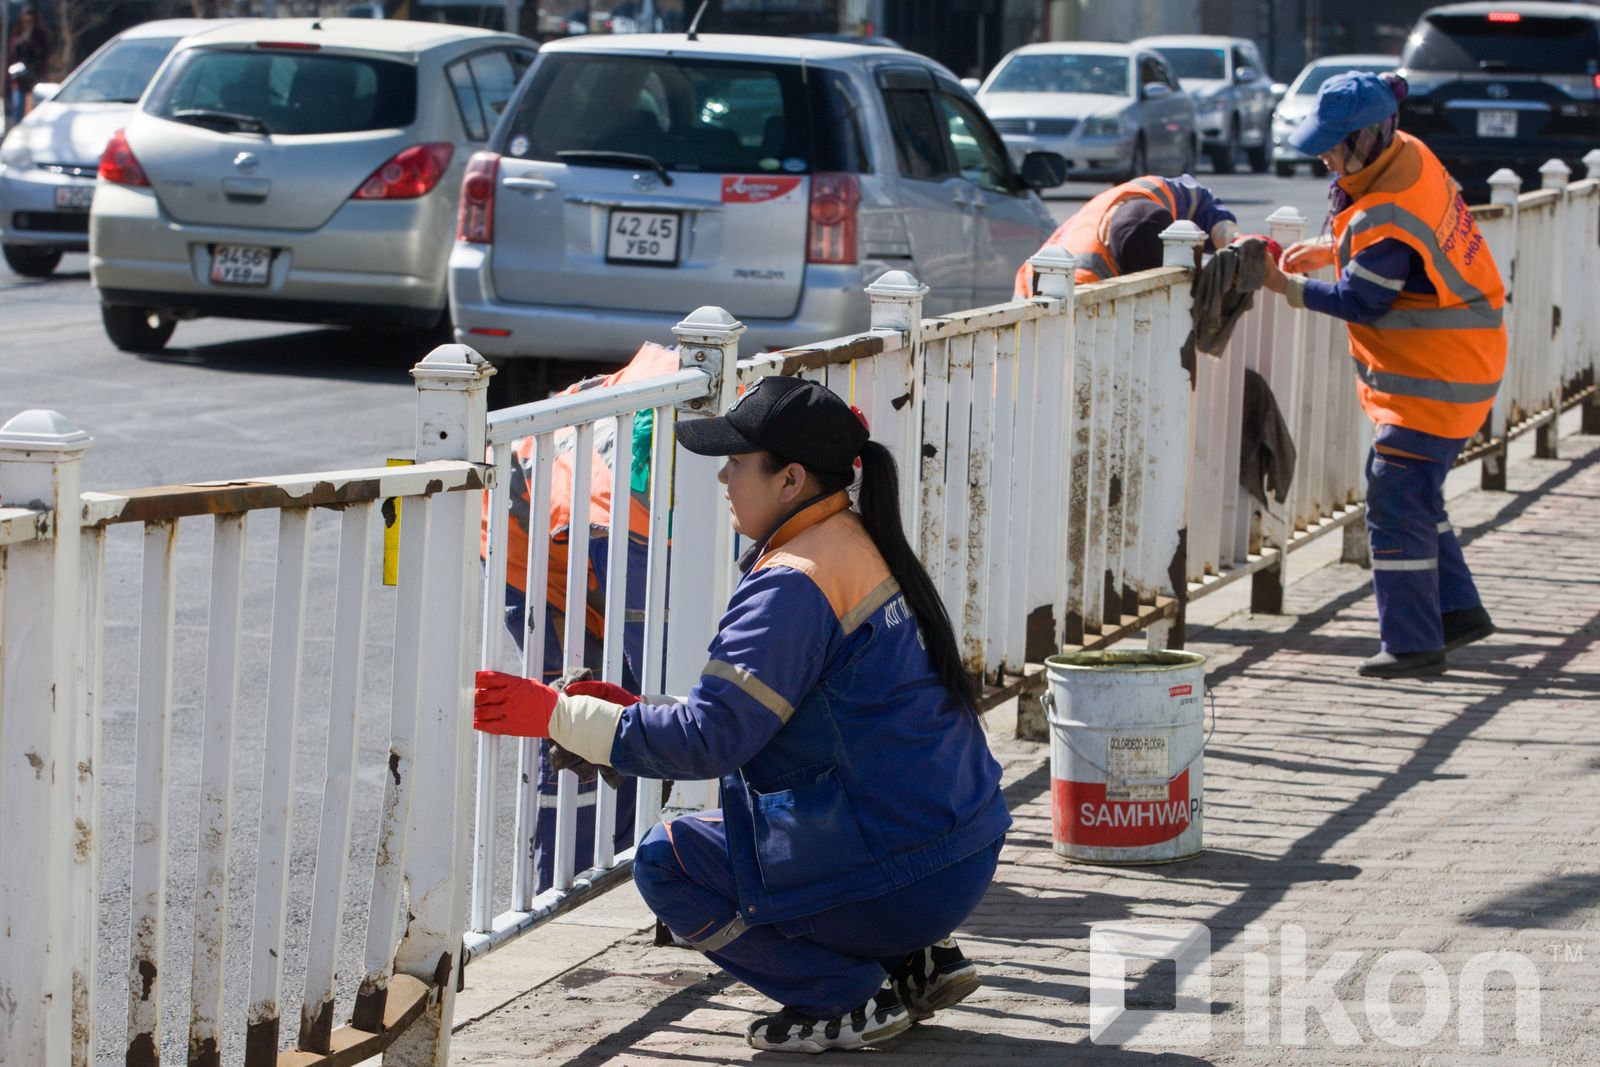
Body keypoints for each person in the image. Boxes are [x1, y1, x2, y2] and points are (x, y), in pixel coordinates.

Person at [474, 375, 1011, 1053]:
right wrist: (632, 713)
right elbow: (782, 712)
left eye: (736, 461)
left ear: (789, 480)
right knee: (758, 825)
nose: (723, 476)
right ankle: (913, 956)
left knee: (666, 861)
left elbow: (712, 740)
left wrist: (554, 713)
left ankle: (841, 996)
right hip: (961, 848)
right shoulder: (857, 539)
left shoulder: (794, 580)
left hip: (902, 873)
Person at [1260, 71, 1503, 679]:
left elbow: (1363, 299)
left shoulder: (1390, 212)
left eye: (1335, 144)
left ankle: (1413, 644)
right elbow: (1378, 251)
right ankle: (1458, 612)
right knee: (1413, 494)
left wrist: (1285, 286)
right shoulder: (1408, 157)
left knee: (1394, 497)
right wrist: (1332, 251)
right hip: (1460, 370)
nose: (1325, 156)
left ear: (1370, 136)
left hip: (1434, 386)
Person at [482, 343, 681, 892]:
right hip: (536, 553)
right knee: (573, 733)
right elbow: (675, 692)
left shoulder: (704, 419)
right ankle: (563, 889)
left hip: (591, 528)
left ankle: (629, 862)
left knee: (632, 718)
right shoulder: (636, 494)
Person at [1013, 173, 1239, 297]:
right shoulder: (1082, 274)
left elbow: (1199, 200)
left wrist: (1231, 238)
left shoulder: (1156, 193)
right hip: (1029, 322)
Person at [6, 5, 48, 121]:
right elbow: (12, 56)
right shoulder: (17, 34)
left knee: (33, 109)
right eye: (25, 21)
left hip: (34, 77)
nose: (27, 24)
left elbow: (43, 54)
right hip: (19, 78)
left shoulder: (40, 35)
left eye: (30, 22)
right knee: (18, 107)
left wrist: (29, 42)